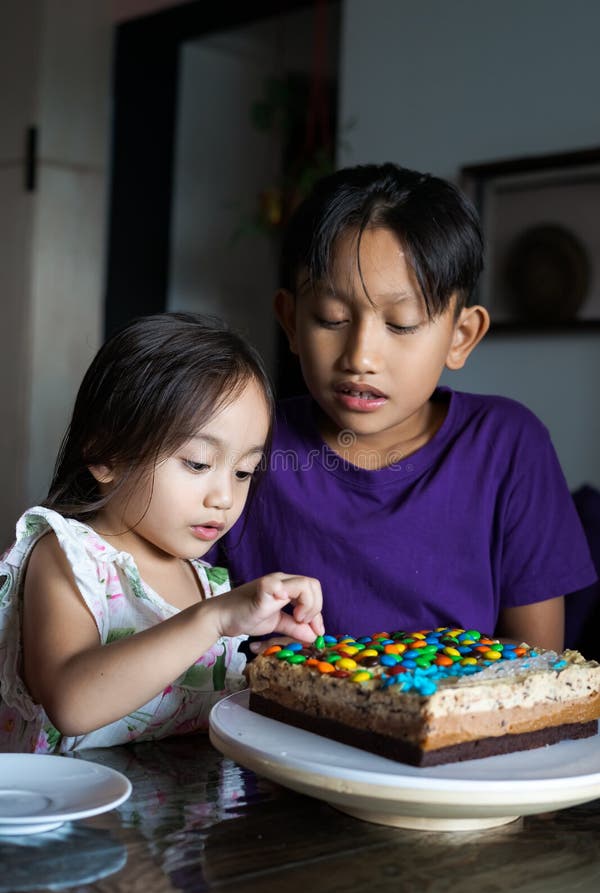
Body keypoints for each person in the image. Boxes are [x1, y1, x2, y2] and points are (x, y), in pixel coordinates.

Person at [208, 162, 597, 652]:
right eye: (331, 319)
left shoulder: (507, 446)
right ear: (290, 321)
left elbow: (538, 669)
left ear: (461, 336)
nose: (360, 358)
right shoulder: (245, 440)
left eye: (403, 324)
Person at [0, 313, 323, 753]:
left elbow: (188, 709)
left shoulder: (203, 581)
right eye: (197, 464)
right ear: (105, 452)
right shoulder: (70, 556)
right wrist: (214, 620)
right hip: (66, 815)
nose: (224, 497)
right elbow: (71, 703)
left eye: (244, 471)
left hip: (175, 815)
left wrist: (269, 672)